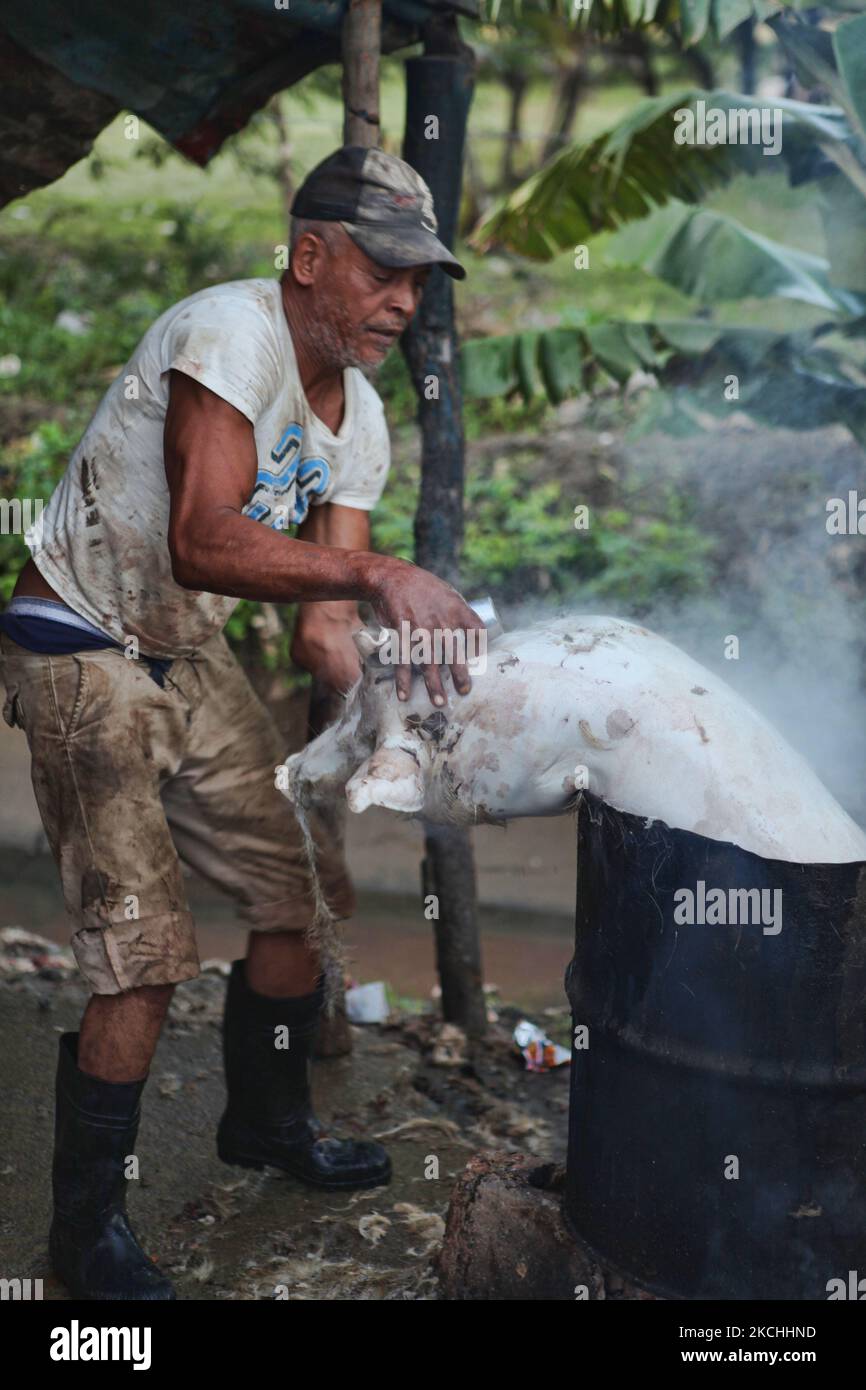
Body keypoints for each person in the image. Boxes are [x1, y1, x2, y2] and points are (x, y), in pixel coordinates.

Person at [0, 146, 483, 1300]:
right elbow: (203, 540)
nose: (403, 305)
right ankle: (86, 1234)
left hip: (184, 646)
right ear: (309, 255)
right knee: (146, 954)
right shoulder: (228, 335)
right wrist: (384, 580)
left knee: (293, 901)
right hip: (80, 639)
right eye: (384, 273)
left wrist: (414, 698)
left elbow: (323, 627)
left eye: (419, 283)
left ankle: (263, 1123)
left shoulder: (358, 416)